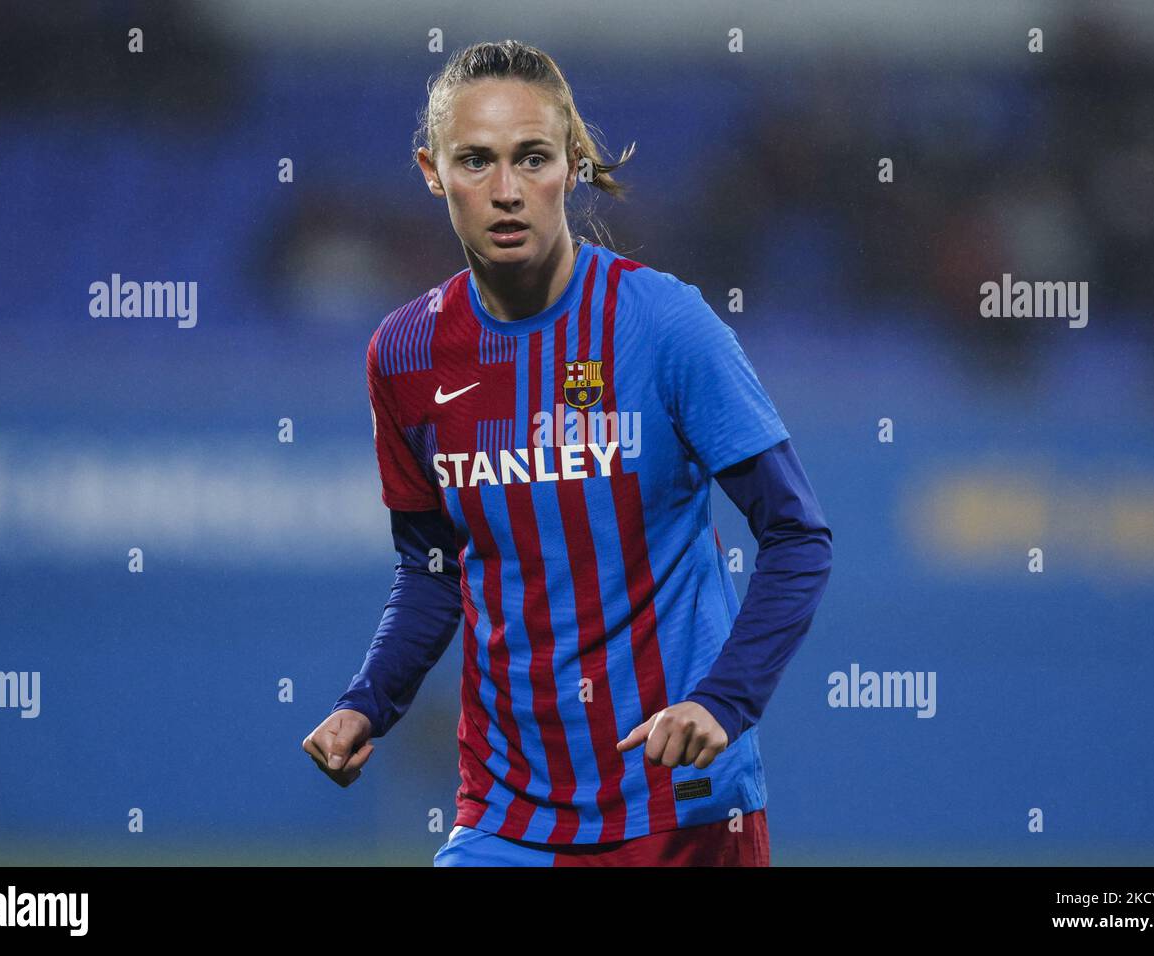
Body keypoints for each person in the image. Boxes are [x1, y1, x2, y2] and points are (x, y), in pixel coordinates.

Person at [302, 39, 832, 867]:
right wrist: (368, 702)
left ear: (575, 164)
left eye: (533, 158)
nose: (506, 191)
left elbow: (798, 536)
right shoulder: (403, 355)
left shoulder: (665, 326)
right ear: (431, 171)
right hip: (506, 817)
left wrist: (723, 703)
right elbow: (434, 567)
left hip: (681, 812)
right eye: (475, 161)